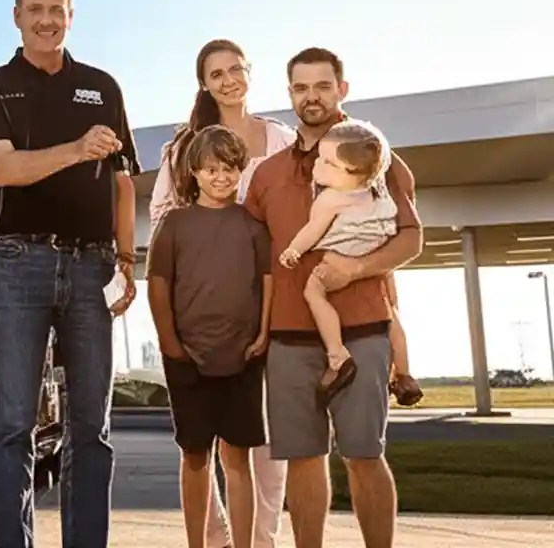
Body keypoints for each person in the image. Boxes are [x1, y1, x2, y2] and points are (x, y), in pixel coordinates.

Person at [0, 0, 141, 548]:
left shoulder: (102, 86)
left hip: (94, 267)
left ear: (72, 15)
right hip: (18, 263)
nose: (46, 19)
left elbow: (121, 185)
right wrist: (75, 149)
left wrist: (126, 260)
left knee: (92, 427)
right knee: (13, 425)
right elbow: (2, 169)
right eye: (35, 9)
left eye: (57, 9)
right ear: (16, 16)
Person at [243, 47, 422, 548]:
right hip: (289, 336)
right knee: (302, 458)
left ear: (342, 89)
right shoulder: (265, 174)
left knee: (365, 454)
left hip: (363, 328)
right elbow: (258, 261)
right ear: (290, 95)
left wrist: (357, 270)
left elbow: (411, 238)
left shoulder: (378, 158)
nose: (312, 97)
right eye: (301, 88)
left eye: (322, 86)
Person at [149, 38, 290, 548]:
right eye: (216, 73)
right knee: (198, 449)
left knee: (262, 441)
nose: (228, 80)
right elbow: (162, 222)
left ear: (249, 72)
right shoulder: (183, 148)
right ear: (203, 83)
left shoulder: (279, 137)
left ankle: (262, 538)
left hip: (262, 305)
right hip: (200, 311)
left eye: (236, 69)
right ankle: (212, 538)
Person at [278, 118, 423, 407]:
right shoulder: (376, 192)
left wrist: (293, 251)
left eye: (327, 162)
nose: (317, 166)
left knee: (313, 293)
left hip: (339, 257)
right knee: (391, 316)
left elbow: (312, 231)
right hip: (374, 251)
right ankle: (404, 374)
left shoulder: (331, 199)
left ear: (352, 173)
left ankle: (337, 355)